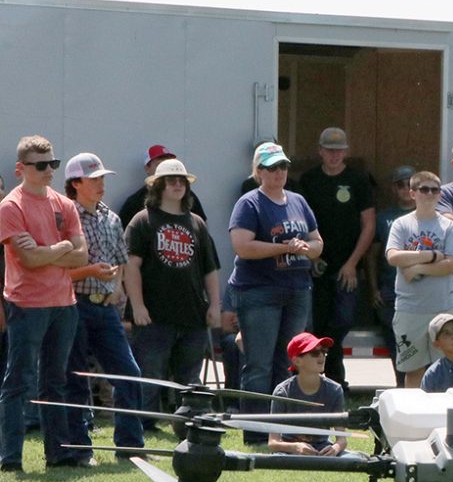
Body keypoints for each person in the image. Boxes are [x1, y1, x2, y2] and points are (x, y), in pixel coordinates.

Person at [0, 136, 88, 471]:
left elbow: (81, 254)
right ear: (21, 168)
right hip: (26, 305)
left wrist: (46, 250)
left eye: (53, 163)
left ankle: (58, 454)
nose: (50, 170)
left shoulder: (63, 204)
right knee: (18, 382)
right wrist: (61, 248)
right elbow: (29, 260)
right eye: (41, 165)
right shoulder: (11, 206)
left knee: (55, 381)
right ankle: (10, 458)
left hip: (64, 305)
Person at [229, 143, 323, 444]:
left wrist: (306, 249)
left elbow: (317, 242)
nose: (279, 172)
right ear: (258, 172)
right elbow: (242, 246)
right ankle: (256, 434)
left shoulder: (298, 201)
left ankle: (280, 432)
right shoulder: (249, 203)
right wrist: (285, 247)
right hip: (258, 292)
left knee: (288, 363)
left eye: (283, 166)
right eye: (271, 167)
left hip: (296, 290)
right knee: (259, 364)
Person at [124, 158, 221, 425]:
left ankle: (189, 425)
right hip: (154, 317)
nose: (178, 185)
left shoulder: (198, 223)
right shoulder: (142, 221)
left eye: (182, 181)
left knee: (189, 380)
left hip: (193, 316)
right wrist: (138, 305)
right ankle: (145, 426)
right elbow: (131, 266)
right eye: (171, 180)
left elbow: (210, 269)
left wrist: (214, 305)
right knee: (149, 376)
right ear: (158, 186)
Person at [63, 153, 145, 460]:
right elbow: (58, 268)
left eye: (102, 178)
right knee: (75, 377)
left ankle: (130, 447)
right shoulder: (64, 217)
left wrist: (114, 291)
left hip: (105, 307)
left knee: (129, 372)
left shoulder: (111, 218)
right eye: (94, 178)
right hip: (73, 304)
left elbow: (121, 260)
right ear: (76, 183)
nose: (101, 184)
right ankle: (80, 448)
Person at [298, 127, 375, 389]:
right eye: (329, 150)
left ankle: (332, 378)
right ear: (320, 151)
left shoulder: (358, 179)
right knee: (317, 324)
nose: (334, 155)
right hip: (317, 266)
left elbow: (369, 225)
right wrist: (310, 258)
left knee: (342, 321)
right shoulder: (308, 180)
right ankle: (331, 381)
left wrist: (353, 264)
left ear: (346, 151)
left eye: (339, 150)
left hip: (347, 267)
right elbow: (301, 224)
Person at [385, 171, 453, 388]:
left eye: (435, 190)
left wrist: (418, 266)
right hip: (410, 310)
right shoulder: (401, 225)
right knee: (413, 370)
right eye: (424, 189)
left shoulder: (449, 227)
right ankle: (414, 418)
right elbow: (393, 256)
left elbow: (451, 265)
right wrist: (431, 256)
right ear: (413, 194)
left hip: (444, 308)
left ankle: (447, 418)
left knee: (449, 368)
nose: (430, 194)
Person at [367, 165, 416, 386]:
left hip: (419, 289)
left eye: (410, 184)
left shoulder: (426, 214)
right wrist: (373, 288)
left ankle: (419, 387)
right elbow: (372, 256)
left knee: (417, 342)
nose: (406, 189)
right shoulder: (384, 217)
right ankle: (401, 385)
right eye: (401, 185)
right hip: (389, 289)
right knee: (397, 343)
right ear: (394, 188)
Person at [268, 332, 347, 456]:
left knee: (355, 458)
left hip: (323, 447)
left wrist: (335, 448)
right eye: (315, 353)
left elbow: (341, 439)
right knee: (277, 458)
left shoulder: (335, 390)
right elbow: (273, 443)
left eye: (324, 351)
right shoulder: (283, 392)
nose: (321, 356)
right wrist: (296, 447)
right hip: (289, 449)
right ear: (297, 360)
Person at [118, 144, 207, 226]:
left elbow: (203, 229)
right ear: (147, 168)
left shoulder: (188, 196)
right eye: (160, 164)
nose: (166, 169)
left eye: (168, 163)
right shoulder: (134, 203)